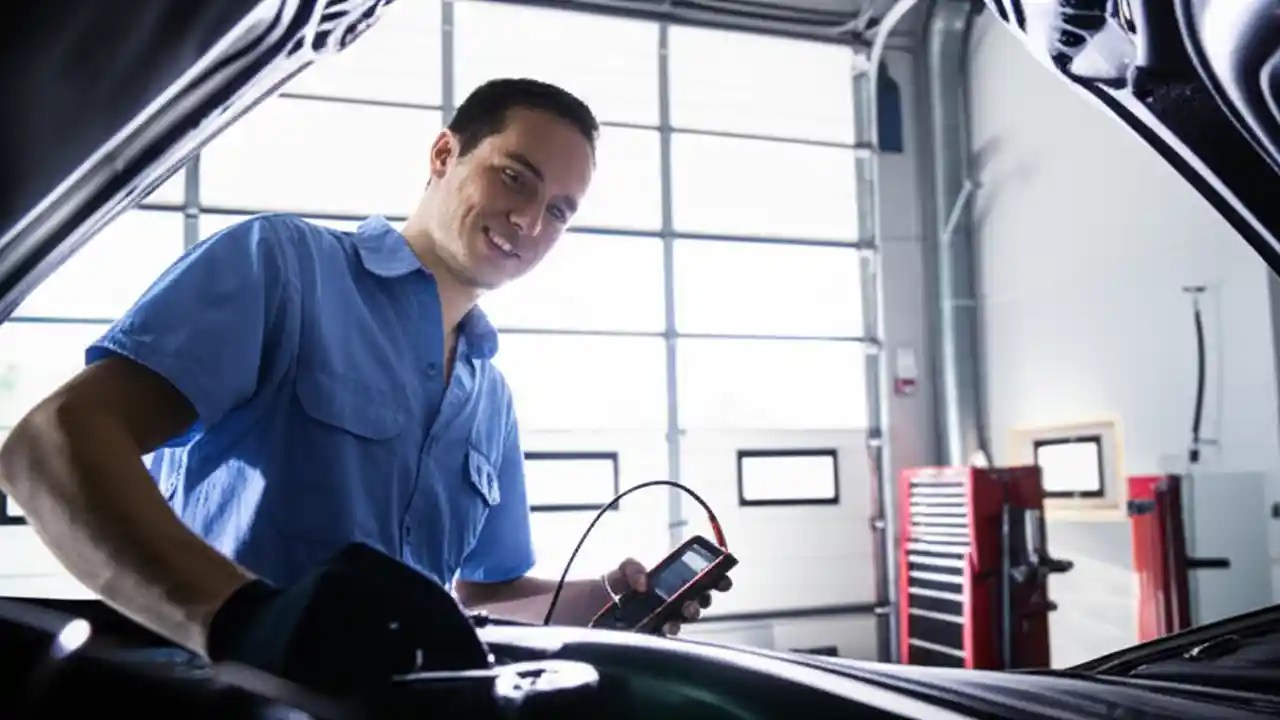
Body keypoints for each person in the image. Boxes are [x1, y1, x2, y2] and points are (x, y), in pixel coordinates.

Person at [0, 78, 730, 670]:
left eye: (560, 211)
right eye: (514, 177)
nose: (531, 222)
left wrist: (613, 594)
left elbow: (485, 589)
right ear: (444, 155)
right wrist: (244, 625)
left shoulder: (490, 397)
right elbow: (50, 445)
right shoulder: (283, 267)